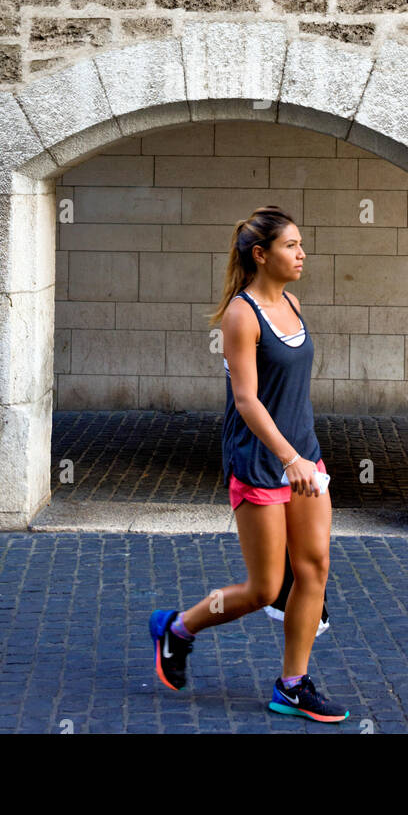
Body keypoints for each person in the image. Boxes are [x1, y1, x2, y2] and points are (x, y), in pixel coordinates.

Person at [149, 206, 349, 723]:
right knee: (265, 587)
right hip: (262, 462)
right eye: (291, 246)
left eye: (301, 244)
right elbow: (247, 400)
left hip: (305, 457)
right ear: (261, 255)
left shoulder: (293, 304)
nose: (301, 253)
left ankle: (292, 684)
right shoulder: (242, 315)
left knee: (314, 570)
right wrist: (289, 458)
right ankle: (177, 629)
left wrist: (304, 456)